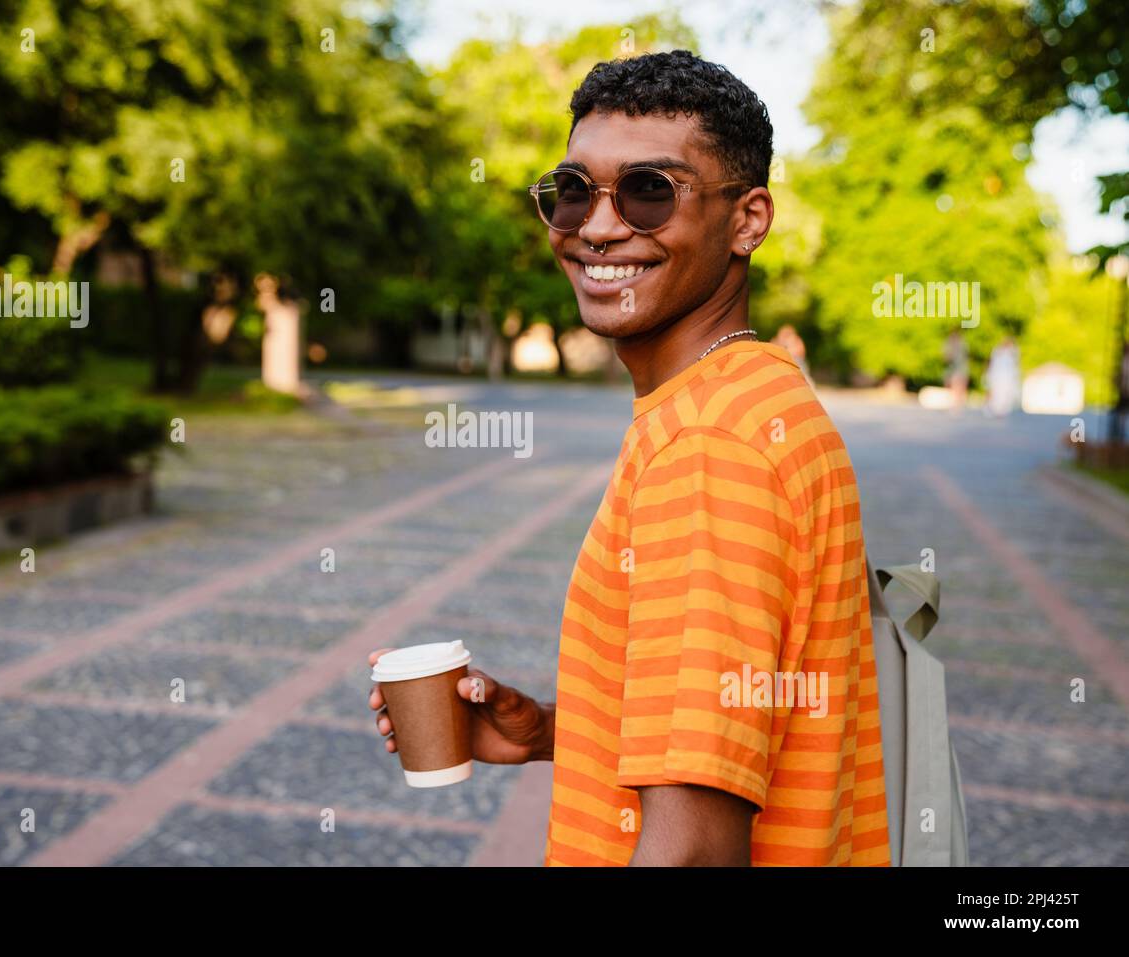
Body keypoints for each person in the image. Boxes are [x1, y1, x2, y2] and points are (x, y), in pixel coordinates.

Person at [370, 52, 889, 866]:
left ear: (749, 219)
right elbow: (753, 708)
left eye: (651, 190)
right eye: (573, 192)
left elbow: (692, 849)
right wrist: (549, 729)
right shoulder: (756, 400)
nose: (599, 227)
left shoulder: (710, 448)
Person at [983, 336, 1020, 417]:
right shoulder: (997, 350)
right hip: (997, 376)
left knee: (1004, 393)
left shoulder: (1012, 352)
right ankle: (992, 409)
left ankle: (1001, 410)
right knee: (995, 392)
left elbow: (1015, 365)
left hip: (1006, 377)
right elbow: (993, 363)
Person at [943, 329, 969, 414]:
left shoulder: (963, 344)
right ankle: (953, 404)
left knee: (959, 386)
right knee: (951, 385)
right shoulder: (948, 344)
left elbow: (965, 357)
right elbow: (946, 358)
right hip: (952, 369)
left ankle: (958, 405)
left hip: (960, 369)